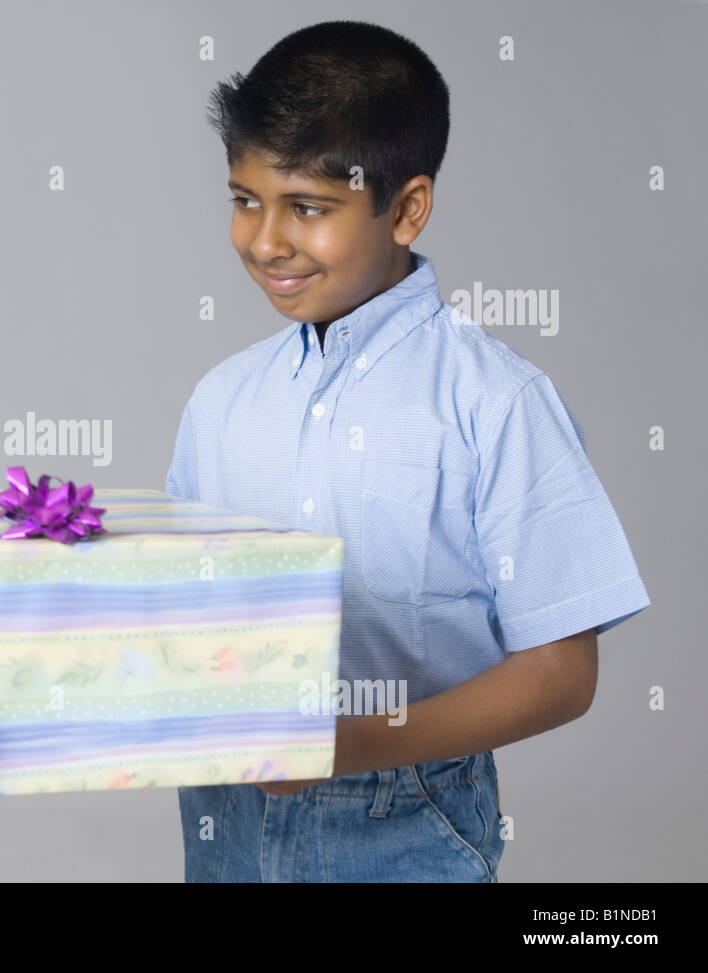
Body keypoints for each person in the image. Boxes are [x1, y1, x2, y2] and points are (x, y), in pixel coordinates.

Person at [165, 21, 650, 882]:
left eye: (308, 208)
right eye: (245, 200)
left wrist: (343, 744)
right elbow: (181, 608)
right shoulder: (220, 402)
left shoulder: (494, 402)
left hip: (405, 820)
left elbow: (562, 672)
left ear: (408, 207)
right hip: (227, 815)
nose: (266, 240)